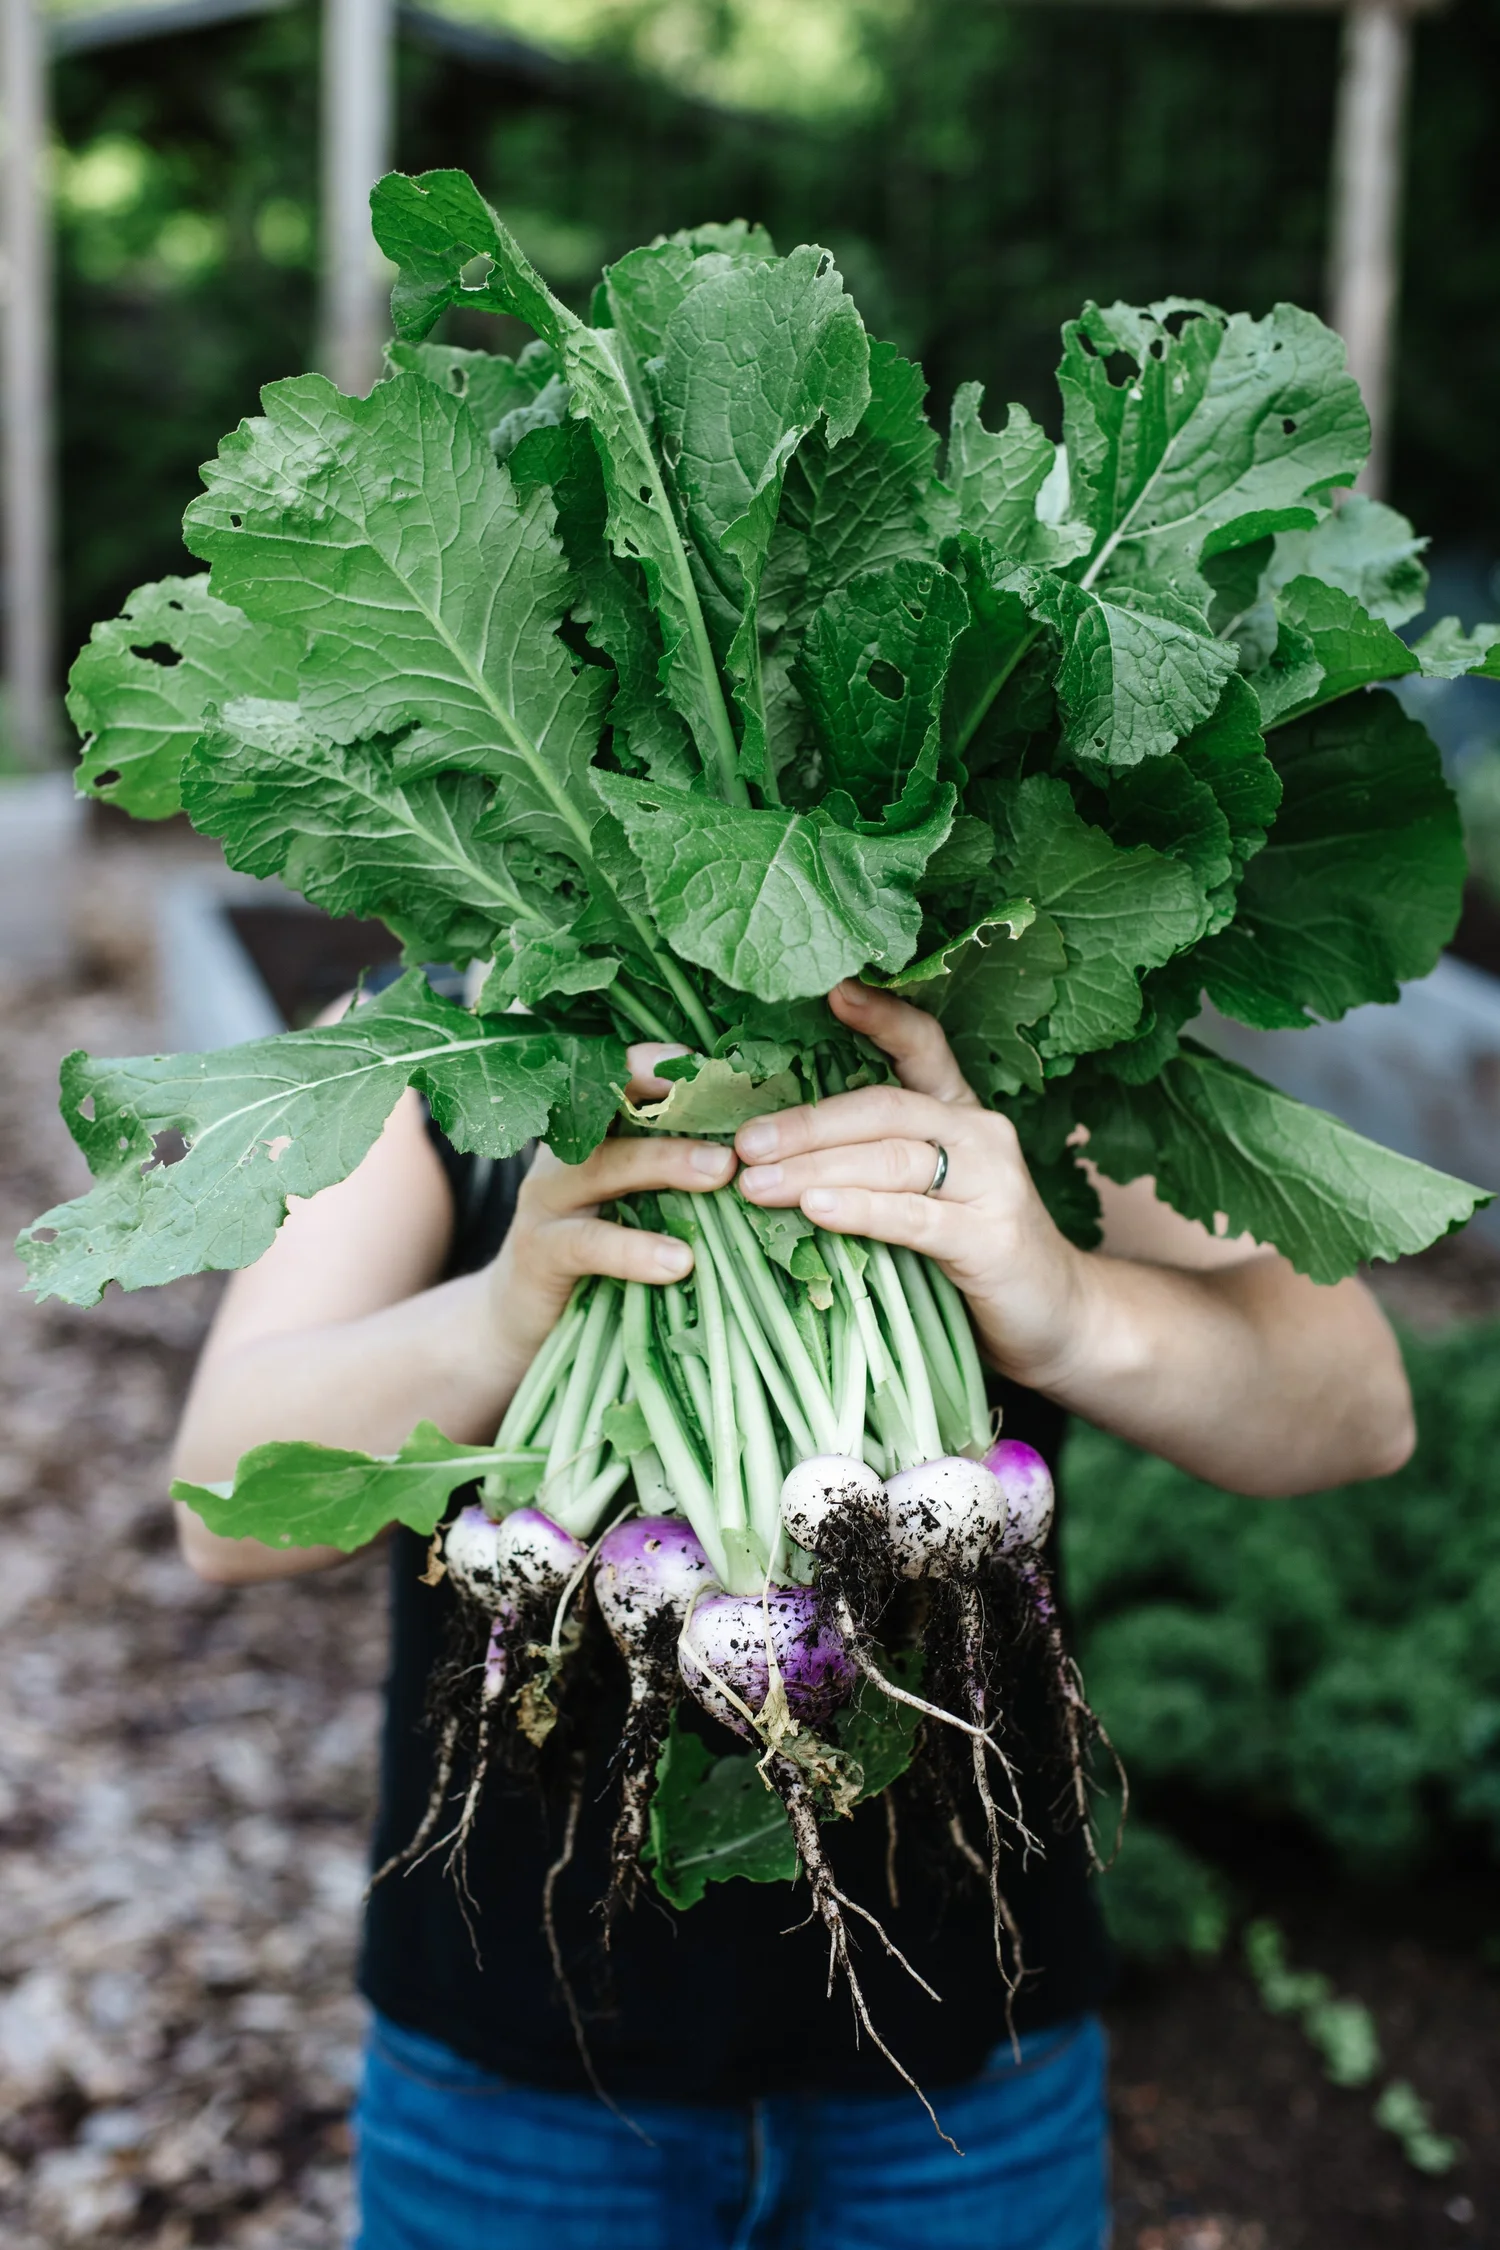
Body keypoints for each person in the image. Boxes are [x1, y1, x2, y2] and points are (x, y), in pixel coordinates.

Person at [170, 977, 1415, 2250]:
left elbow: (1364, 1406)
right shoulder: (431, 1038)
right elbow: (219, 1508)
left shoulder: (1014, 1036)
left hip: (970, 2057)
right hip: (520, 2074)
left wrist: (1071, 1304)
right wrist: (497, 1316)